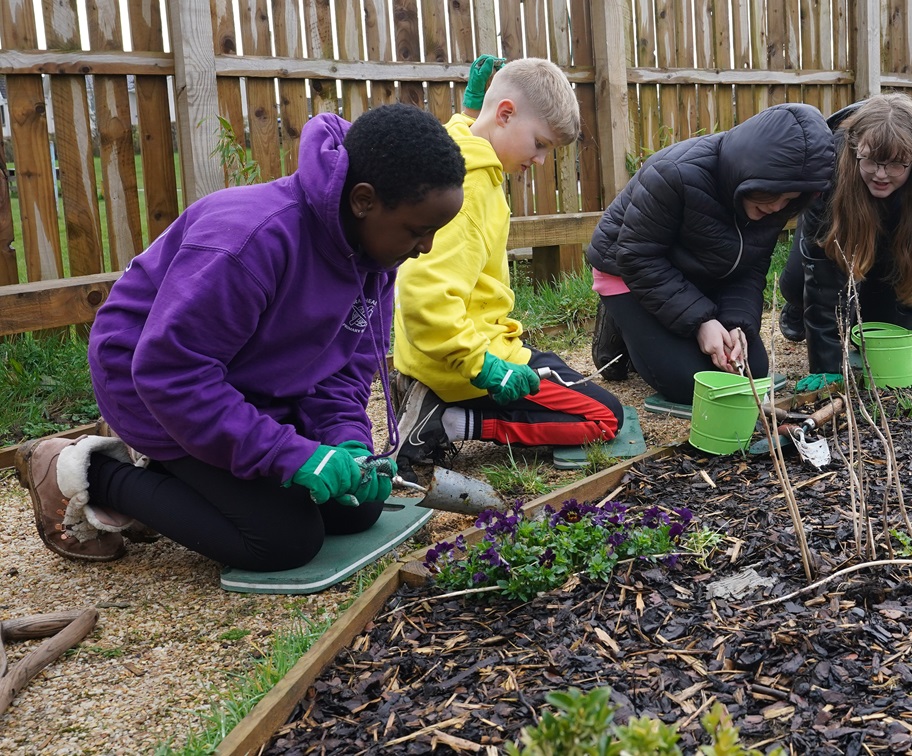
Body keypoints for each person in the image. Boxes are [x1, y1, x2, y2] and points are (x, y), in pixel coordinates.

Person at [14, 104, 466, 570]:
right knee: (282, 540)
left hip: (250, 380)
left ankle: (179, 484)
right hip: (151, 386)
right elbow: (172, 373)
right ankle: (84, 469)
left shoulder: (376, 257)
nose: (426, 247)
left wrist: (346, 440)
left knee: (356, 508)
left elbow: (343, 371)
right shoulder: (249, 241)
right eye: (419, 230)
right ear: (363, 200)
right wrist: (288, 453)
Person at [392, 58, 624, 480]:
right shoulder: (470, 188)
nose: (539, 159)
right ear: (504, 114)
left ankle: (435, 400)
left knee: (563, 377)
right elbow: (423, 294)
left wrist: (470, 110)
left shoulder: (462, 149)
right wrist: (483, 365)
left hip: (462, 350)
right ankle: (447, 421)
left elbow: (463, 130)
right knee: (605, 417)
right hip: (467, 363)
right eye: (540, 143)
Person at [585, 103, 836, 405]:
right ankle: (620, 320)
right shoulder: (675, 173)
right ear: (749, 169)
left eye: (790, 199)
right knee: (690, 385)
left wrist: (737, 324)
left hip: (701, 272)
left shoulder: (778, 199)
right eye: (772, 194)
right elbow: (637, 258)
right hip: (628, 271)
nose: (777, 207)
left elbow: (751, 268)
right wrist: (701, 322)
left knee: (749, 371)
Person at [776, 93, 912, 393]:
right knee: (798, 283)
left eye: (895, 165)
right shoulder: (827, 169)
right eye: (873, 161)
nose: (881, 175)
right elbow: (824, 277)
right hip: (838, 235)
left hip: (895, 243)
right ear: (854, 150)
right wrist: (828, 366)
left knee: (875, 331)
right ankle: (797, 308)